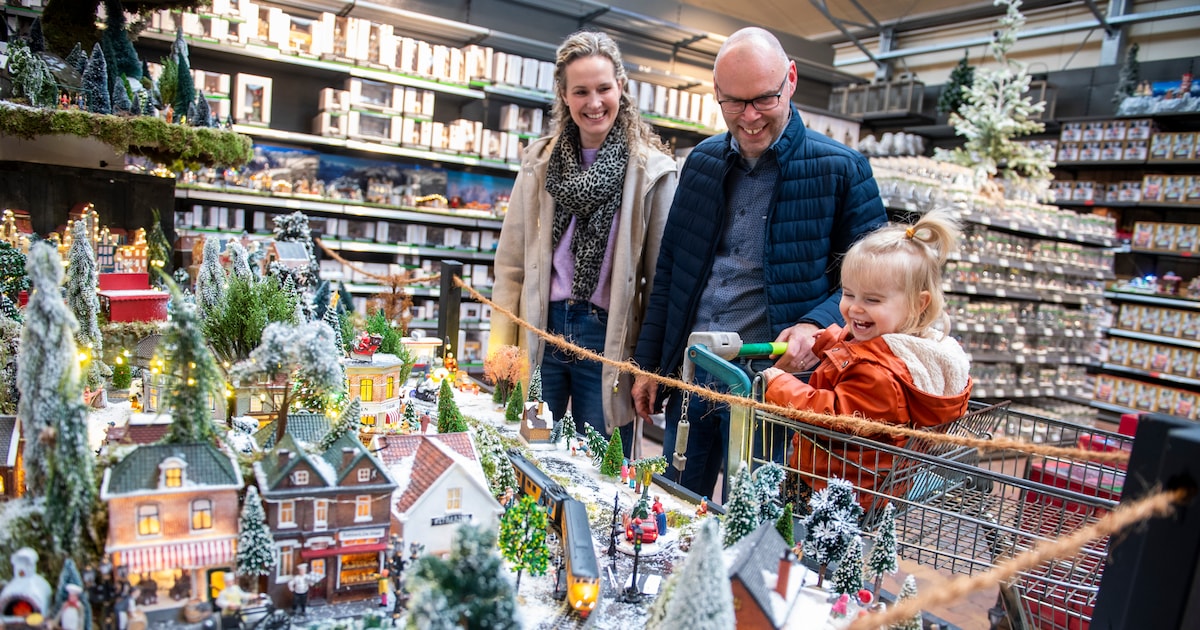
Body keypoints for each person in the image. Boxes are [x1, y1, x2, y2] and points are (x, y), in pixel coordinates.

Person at [632, 26, 888, 498]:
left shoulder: (842, 170)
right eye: (734, 102)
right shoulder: (702, 162)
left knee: (754, 521)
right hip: (696, 376)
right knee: (674, 504)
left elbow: (878, 285)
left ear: (791, 80)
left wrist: (815, 323)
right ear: (716, 92)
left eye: (764, 99)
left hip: (776, 388)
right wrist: (649, 362)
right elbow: (671, 271)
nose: (749, 117)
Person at [489, 30, 679, 455]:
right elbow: (512, 265)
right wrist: (500, 348)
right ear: (564, 95)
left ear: (621, 88)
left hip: (608, 342)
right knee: (531, 451)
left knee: (602, 463)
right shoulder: (538, 163)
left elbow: (660, 283)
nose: (594, 102)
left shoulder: (651, 173)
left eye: (603, 88)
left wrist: (649, 366)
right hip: (541, 333)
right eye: (581, 91)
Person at [760, 209, 972, 504]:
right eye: (848, 294)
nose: (855, 308)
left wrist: (780, 385)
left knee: (783, 526)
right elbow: (862, 351)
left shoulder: (878, 374)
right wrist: (830, 341)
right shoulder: (902, 350)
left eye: (872, 299)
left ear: (918, 304)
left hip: (836, 488)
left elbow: (834, 417)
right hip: (855, 482)